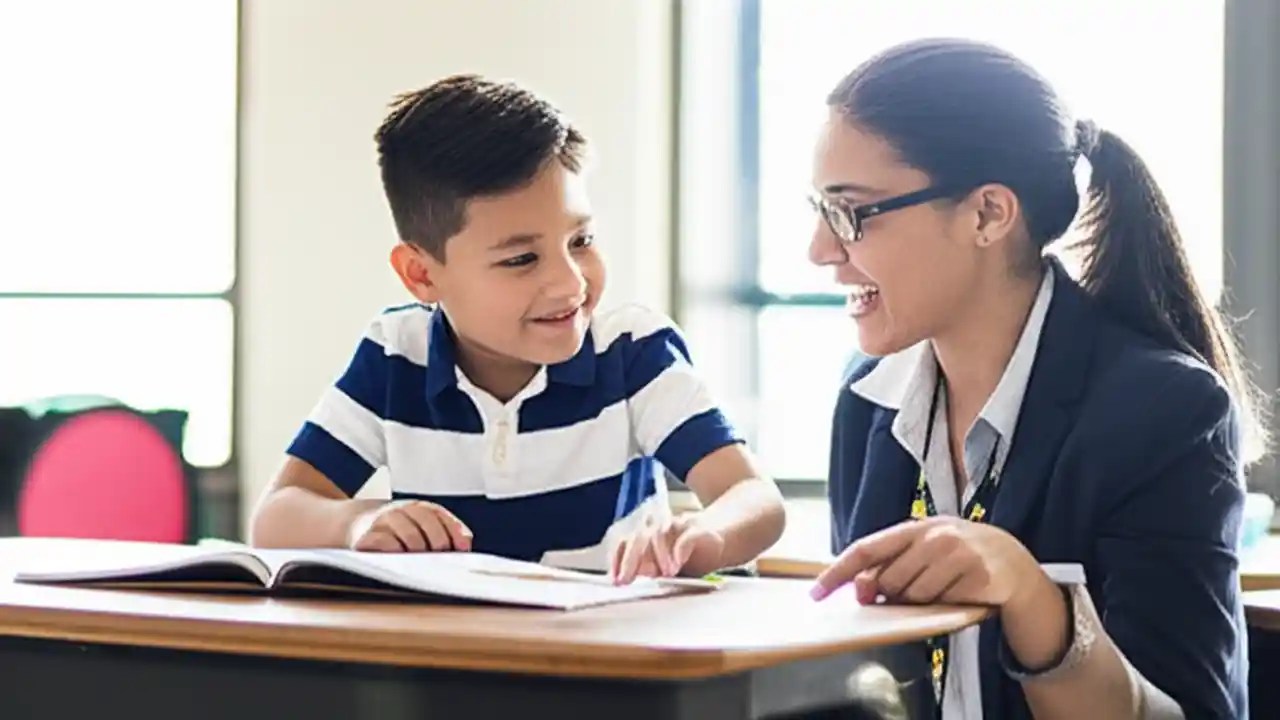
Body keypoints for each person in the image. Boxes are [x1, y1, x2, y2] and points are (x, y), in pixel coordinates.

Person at [804, 38, 1264, 719]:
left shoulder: (1163, 411)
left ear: (989, 213)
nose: (819, 251)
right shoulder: (868, 397)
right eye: (818, 209)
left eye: (851, 214)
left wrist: (1032, 600)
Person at [249, 75, 785, 584]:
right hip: (459, 665)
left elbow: (753, 497)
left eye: (581, 241)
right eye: (522, 259)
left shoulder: (633, 353)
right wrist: (357, 524)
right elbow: (276, 516)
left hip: (610, 661)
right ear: (421, 274)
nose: (568, 282)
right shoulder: (394, 359)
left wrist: (704, 535)